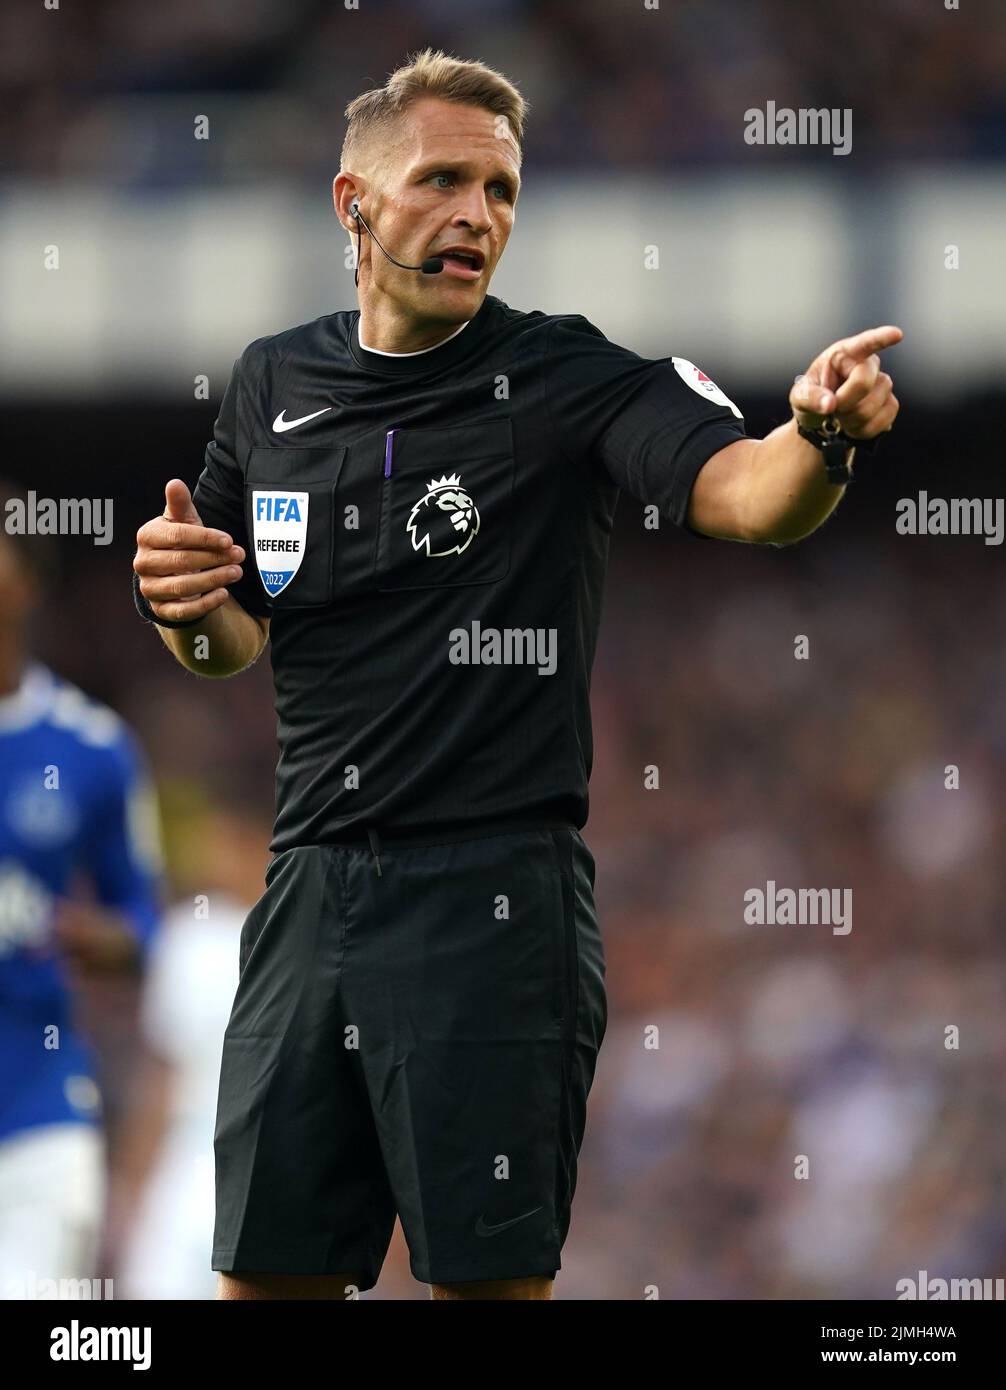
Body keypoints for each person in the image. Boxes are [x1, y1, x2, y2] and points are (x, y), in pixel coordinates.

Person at [131, 48, 901, 1302]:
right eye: (441, 180)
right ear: (354, 204)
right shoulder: (272, 382)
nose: (476, 216)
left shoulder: (561, 376)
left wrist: (815, 434)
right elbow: (230, 636)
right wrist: (182, 603)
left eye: (499, 190)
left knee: (481, 1291)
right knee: (260, 1282)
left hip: (490, 898)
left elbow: (749, 496)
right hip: (309, 888)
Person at [0, 492, 162, 1298]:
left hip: (39, 1109)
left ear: (26, 580)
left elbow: (145, 927)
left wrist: (87, 934)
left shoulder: (90, 748)